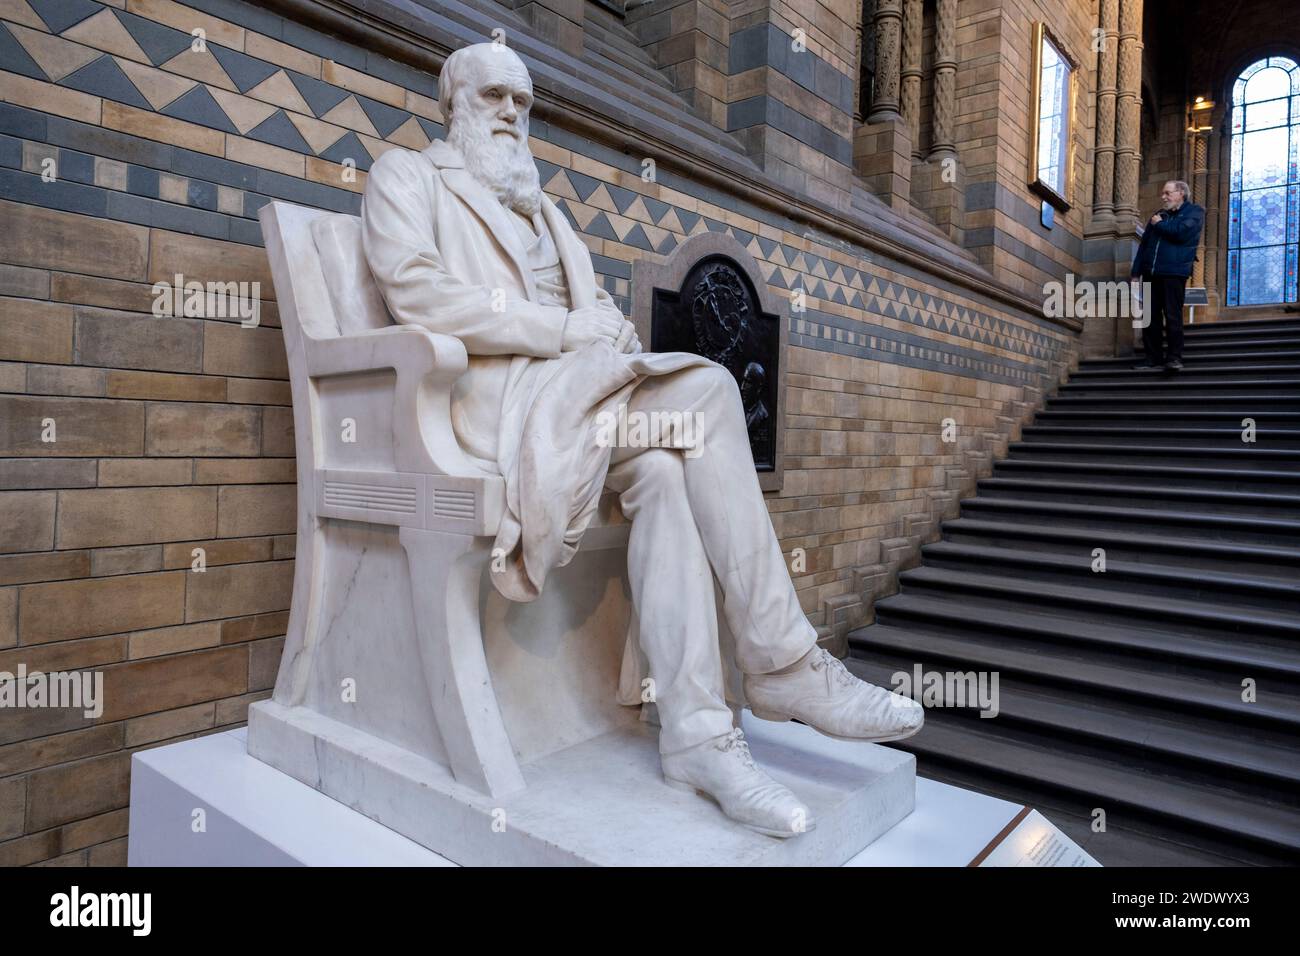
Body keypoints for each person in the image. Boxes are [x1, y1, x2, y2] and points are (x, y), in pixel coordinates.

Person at [360, 42, 923, 839]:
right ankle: (784, 666)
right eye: (494, 97)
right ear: (452, 103)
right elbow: (414, 288)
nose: (513, 115)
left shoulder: (544, 210)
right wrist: (558, 329)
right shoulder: (407, 178)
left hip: (571, 399)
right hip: (490, 405)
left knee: (662, 470)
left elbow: (588, 323)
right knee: (710, 387)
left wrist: (608, 340)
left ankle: (698, 736)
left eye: (524, 102)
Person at [1130, 180, 1204, 371]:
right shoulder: (1158, 215)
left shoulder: (1194, 212)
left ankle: (1174, 358)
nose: (1163, 197)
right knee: (1149, 317)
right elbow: (1144, 245)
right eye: (1163, 193)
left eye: (1167, 193)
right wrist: (1135, 273)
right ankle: (1152, 358)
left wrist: (1160, 224)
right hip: (1151, 273)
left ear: (1181, 193)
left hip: (1174, 273)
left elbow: (1181, 233)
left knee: (1172, 316)